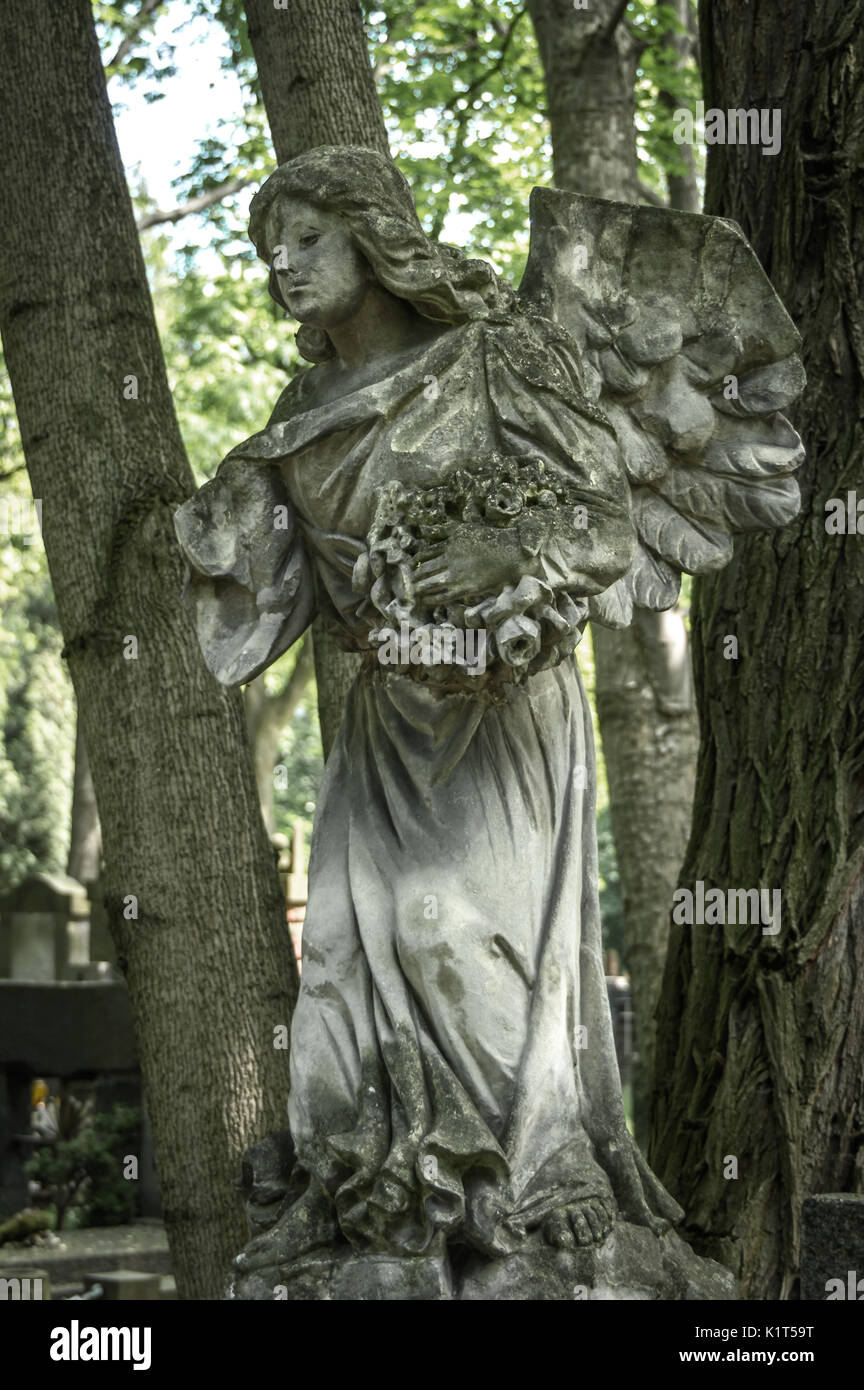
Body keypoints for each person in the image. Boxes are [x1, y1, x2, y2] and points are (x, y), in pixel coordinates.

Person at [174, 147, 683, 1286]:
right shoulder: (302, 411)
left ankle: (522, 1185)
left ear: (374, 237)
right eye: (271, 245)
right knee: (351, 962)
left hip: (498, 707)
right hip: (384, 719)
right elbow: (276, 599)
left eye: (308, 238)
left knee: (449, 929)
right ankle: (398, 1188)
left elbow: (597, 518)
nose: (281, 262)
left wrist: (508, 569)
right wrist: (230, 536)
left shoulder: (491, 360)